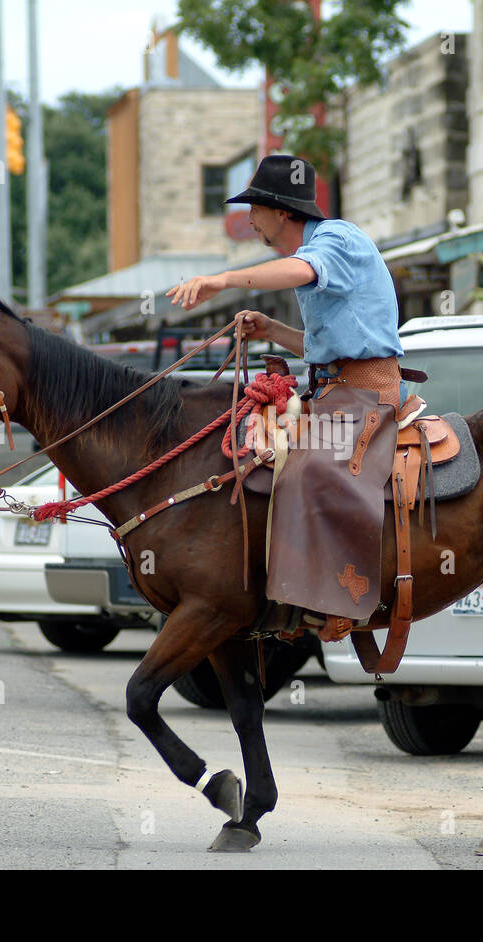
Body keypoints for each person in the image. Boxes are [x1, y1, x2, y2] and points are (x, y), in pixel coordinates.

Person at [166, 154, 406, 633]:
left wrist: (224, 280)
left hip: (368, 393)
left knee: (309, 466)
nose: (249, 219)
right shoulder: (312, 255)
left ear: (281, 211)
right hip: (336, 387)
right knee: (258, 455)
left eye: (253, 208)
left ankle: (341, 597)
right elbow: (325, 348)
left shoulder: (336, 238)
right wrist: (272, 329)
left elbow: (300, 272)